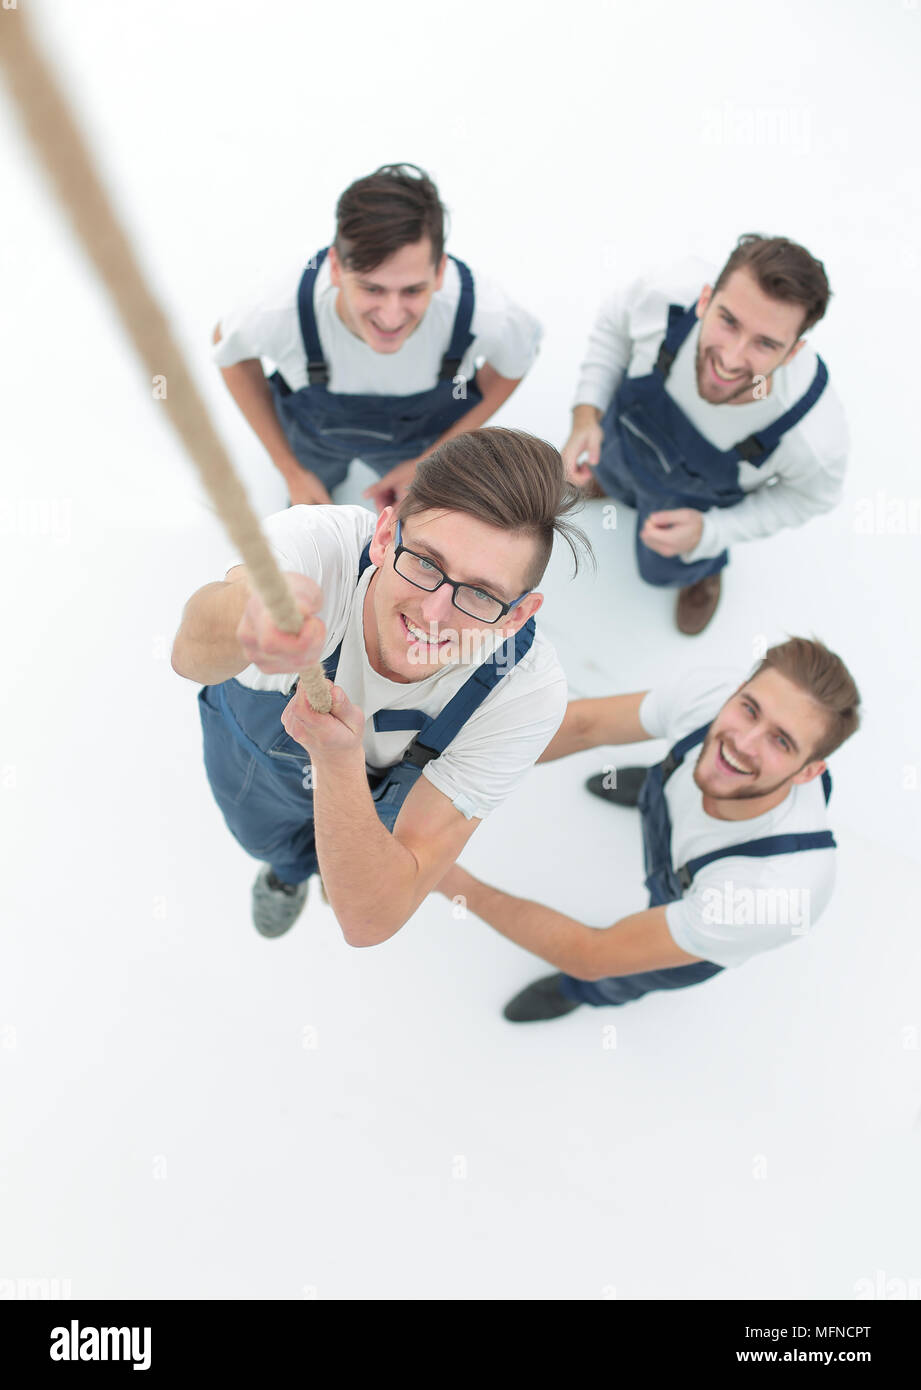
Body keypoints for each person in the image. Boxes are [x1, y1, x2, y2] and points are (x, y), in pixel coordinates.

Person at [170, 429, 590, 939]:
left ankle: (336, 867)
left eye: (481, 594)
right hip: (255, 777)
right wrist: (248, 618)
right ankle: (286, 875)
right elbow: (188, 656)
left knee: (358, 873)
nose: (434, 613)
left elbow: (370, 921)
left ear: (517, 616)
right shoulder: (320, 548)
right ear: (386, 534)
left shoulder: (523, 690)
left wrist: (338, 767)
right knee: (268, 843)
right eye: (426, 562)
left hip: (377, 804)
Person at [435, 638, 860, 1022]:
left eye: (781, 741)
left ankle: (578, 994)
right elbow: (585, 727)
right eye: (749, 709)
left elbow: (590, 952)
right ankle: (653, 792)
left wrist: (446, 877)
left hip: (694, 888)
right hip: (673, 801)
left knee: (615, 974)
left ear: (808, 772)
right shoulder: (710, 697)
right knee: (672, 777)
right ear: (735, 692)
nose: (744, 742)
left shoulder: (765, 895)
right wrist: (448, 756)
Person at [211, 163, 542, 511]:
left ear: (440, 270)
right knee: (308, 508)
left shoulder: (487, 314)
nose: (391, 315)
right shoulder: (278, 309)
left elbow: (515, 362)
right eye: (372, 288)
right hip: (313, 442)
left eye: (413, 290)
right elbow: (229, 352)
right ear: (336, 268)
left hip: (422, 440)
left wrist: (430, 459)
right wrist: (291, 471)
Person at [561, 235, 849, 634]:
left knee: (665, 566)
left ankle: (700, 574)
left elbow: (809, 499)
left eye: (765, 344)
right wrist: (586, 414)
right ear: (704, 300)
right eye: (728, 321)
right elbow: (613, 325)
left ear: (793, 352)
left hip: (690, 509)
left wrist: (714, 533)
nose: (730, 359)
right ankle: (613, 486)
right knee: (609, 470)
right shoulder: (662, 299)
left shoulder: (813, 434)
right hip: (622, 442)